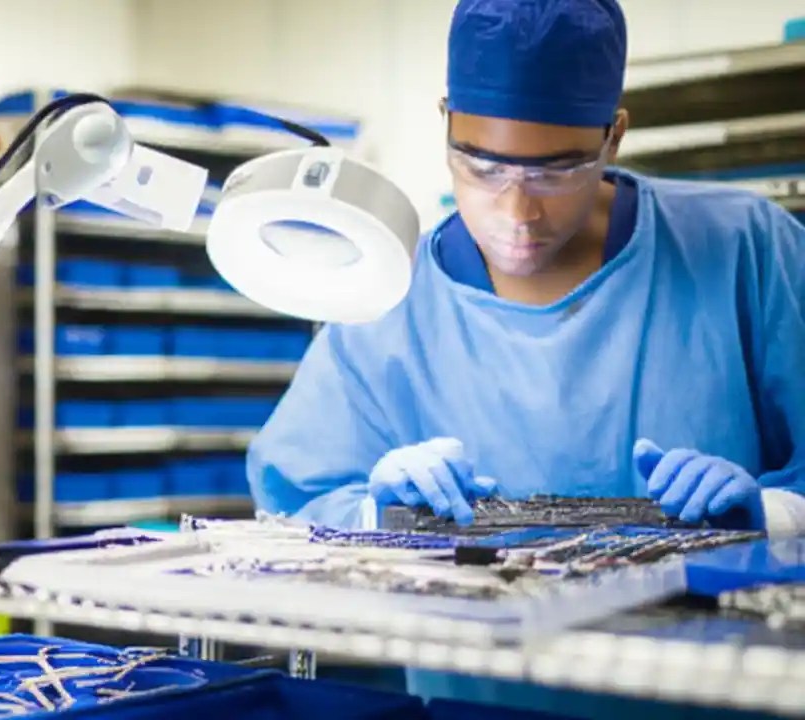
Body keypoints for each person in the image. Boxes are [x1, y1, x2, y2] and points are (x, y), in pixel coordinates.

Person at [247, 0, 805, 716]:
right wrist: (370, 513)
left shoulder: (744, 253)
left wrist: (775, 515)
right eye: (480, 165)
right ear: (446, 122)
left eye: (556, 170)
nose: (518, 214)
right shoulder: (389, 296)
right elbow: (289, 510)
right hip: (476, 703)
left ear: (614, 137)